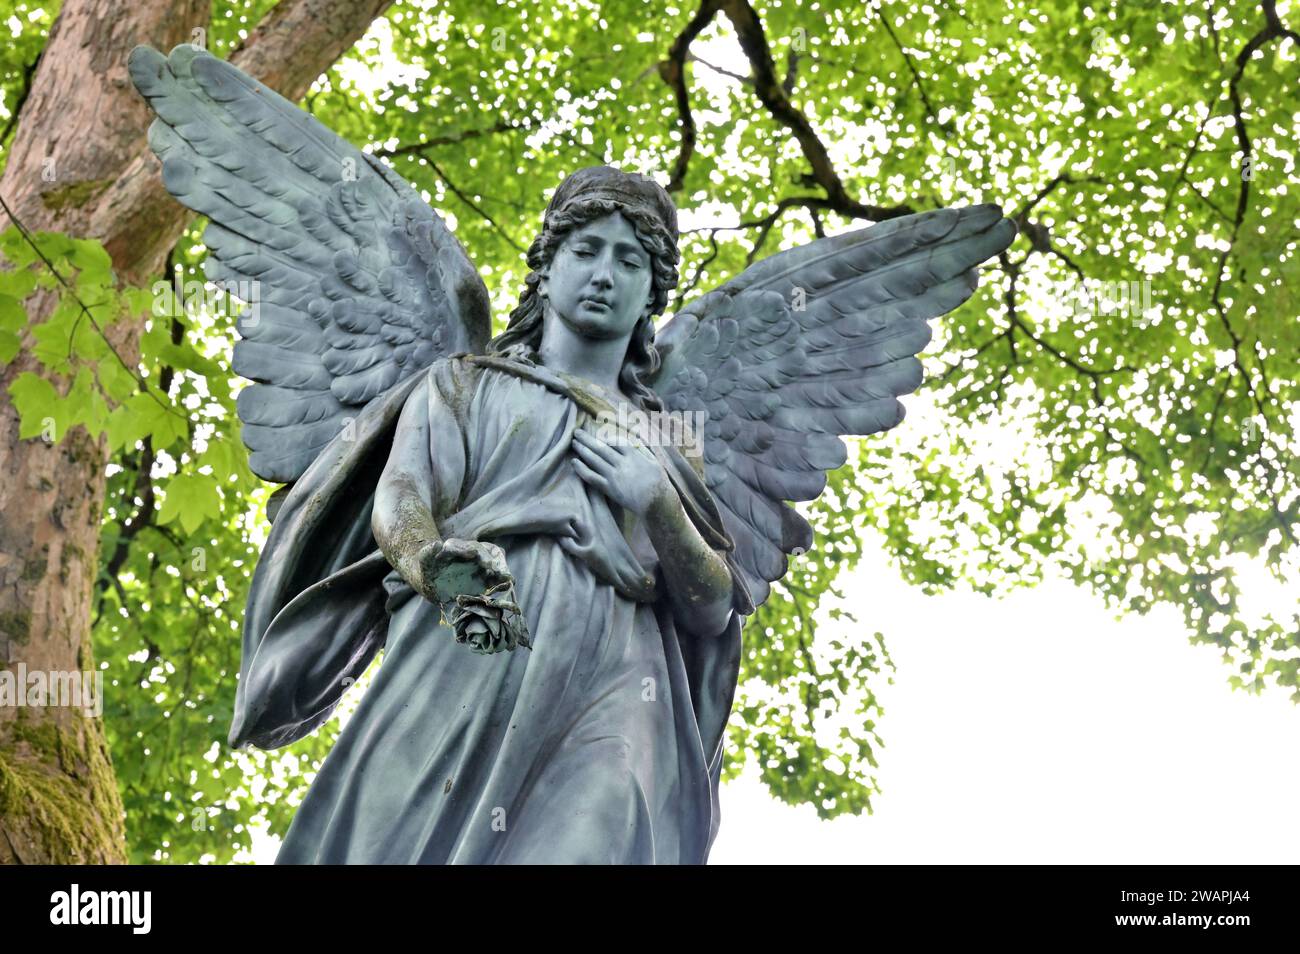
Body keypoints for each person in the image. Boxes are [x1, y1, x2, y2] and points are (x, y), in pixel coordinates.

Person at [252, 167, 752, 864]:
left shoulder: (668, 444)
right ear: (545, 271)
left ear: (650, 297)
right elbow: (402, 502)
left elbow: (712, 609)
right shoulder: (462, 385)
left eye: (629, 259)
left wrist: (659, 504)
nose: (604, 273)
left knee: (597, 829)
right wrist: (435, 566)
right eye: (585, 250)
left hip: (614, 687)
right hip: (466, 649)